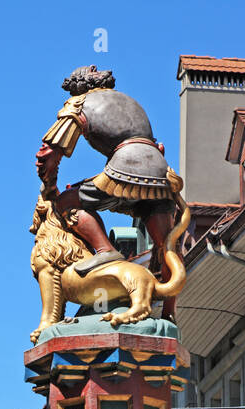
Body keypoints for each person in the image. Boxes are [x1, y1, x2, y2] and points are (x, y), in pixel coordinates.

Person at [36, 66, 183, 278]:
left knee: (67, 201)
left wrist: (49, 185)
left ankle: (106, 250)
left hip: (126, 166)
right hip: (161, 172)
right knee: (166, 245)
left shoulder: (78, 103)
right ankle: (169, 309)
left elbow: (48, 153)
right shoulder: (128, 101)